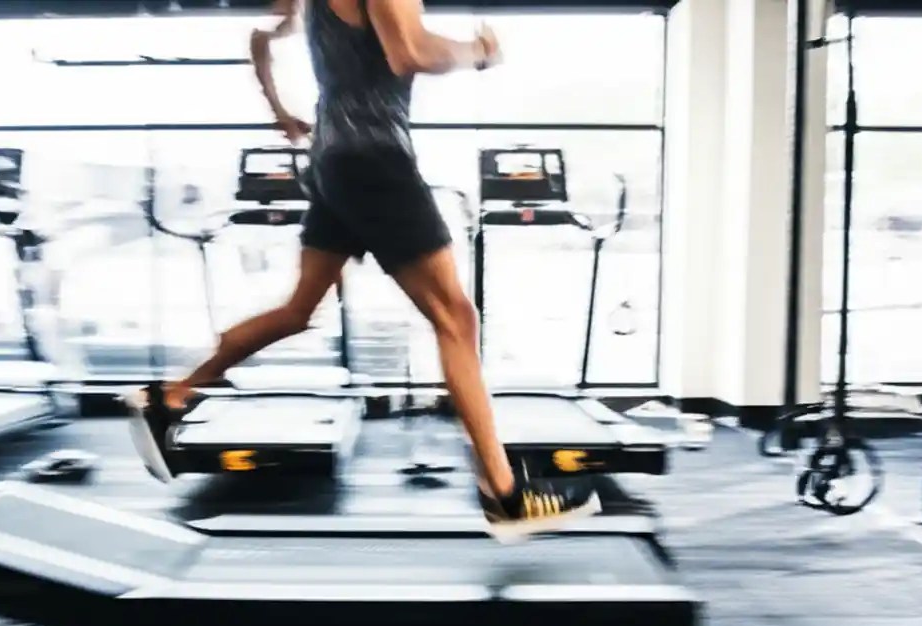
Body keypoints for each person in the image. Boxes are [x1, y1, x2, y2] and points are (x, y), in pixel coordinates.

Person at [128, 0, 600, 538]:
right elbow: (410, 53)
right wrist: (479, 53)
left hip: (332, 157)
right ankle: (504, 493)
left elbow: (263, 37)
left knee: (298, 311)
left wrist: (281, 114)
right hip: (375, 158)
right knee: (456, 319)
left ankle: (169, 399)